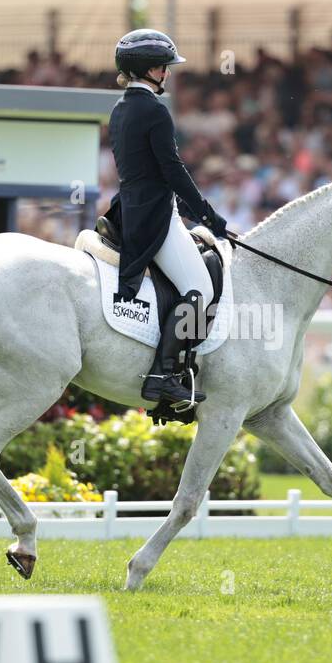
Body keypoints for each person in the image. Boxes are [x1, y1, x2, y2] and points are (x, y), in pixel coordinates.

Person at [108, 28, 228, 407]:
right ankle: (163, 374)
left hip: (128, 209)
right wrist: (207, 214)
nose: (168, 73)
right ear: (150, 70)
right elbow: (172, 171)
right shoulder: (155, 111)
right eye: (164, 67)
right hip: (155, 216)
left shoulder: (120, 109)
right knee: (200, 290)